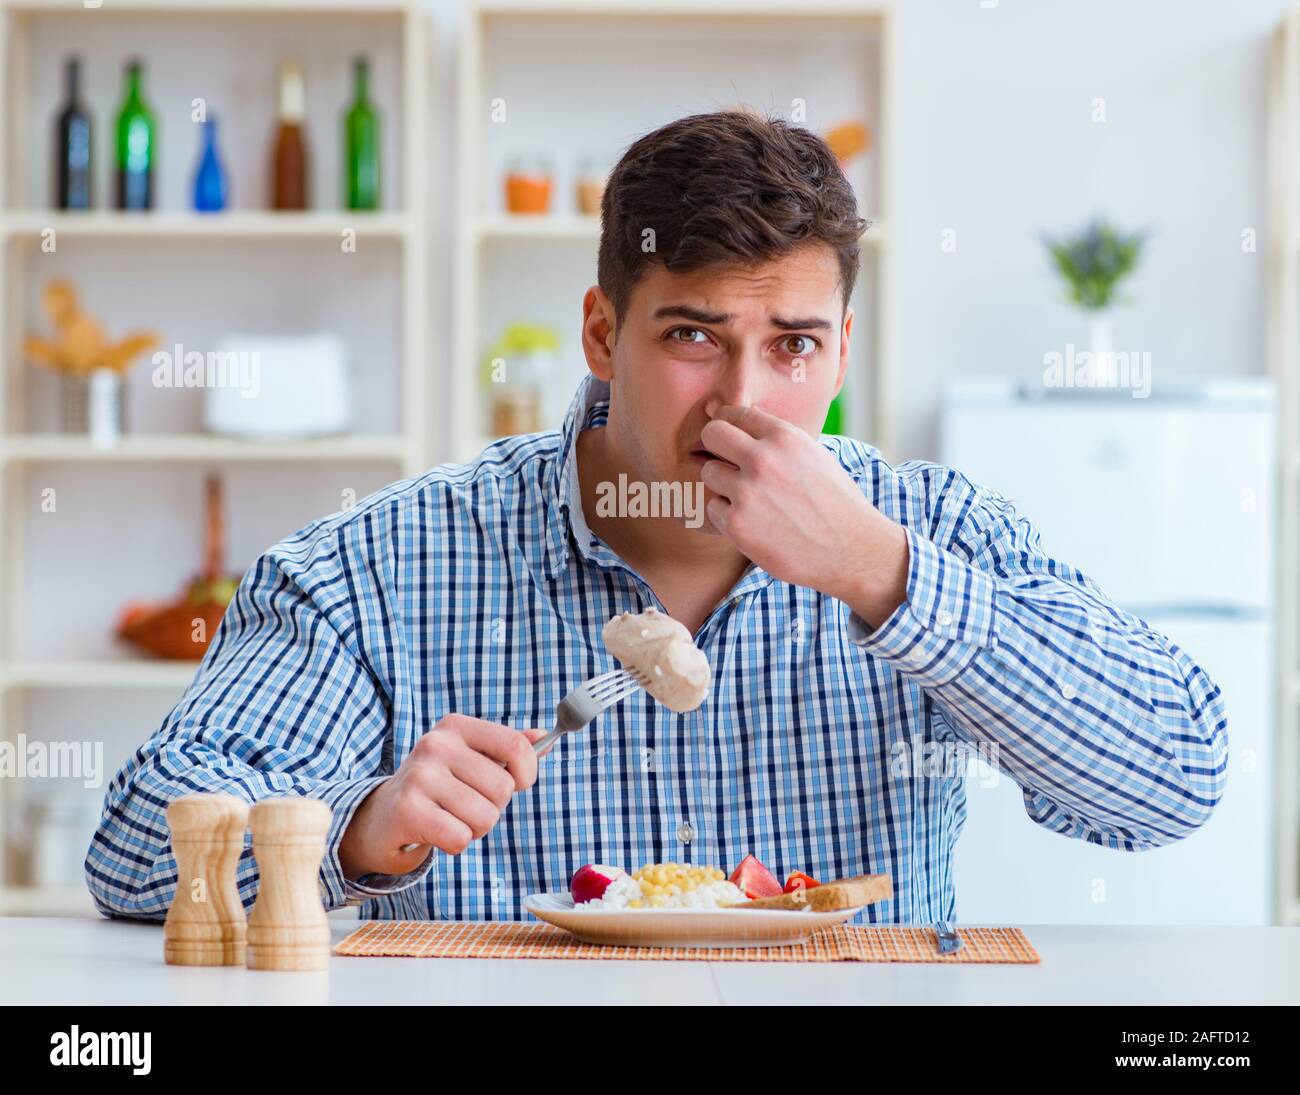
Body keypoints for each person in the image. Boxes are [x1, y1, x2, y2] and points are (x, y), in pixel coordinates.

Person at [87, 109, 1226, 924]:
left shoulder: (933, 530)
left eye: (794, 347)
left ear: (841, 352)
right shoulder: (372, 568)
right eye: (691, 336)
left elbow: (1175, 781)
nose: (743, 398)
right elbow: (137, 854)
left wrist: (886, 577)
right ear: (599, 334)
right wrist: (353, 829)